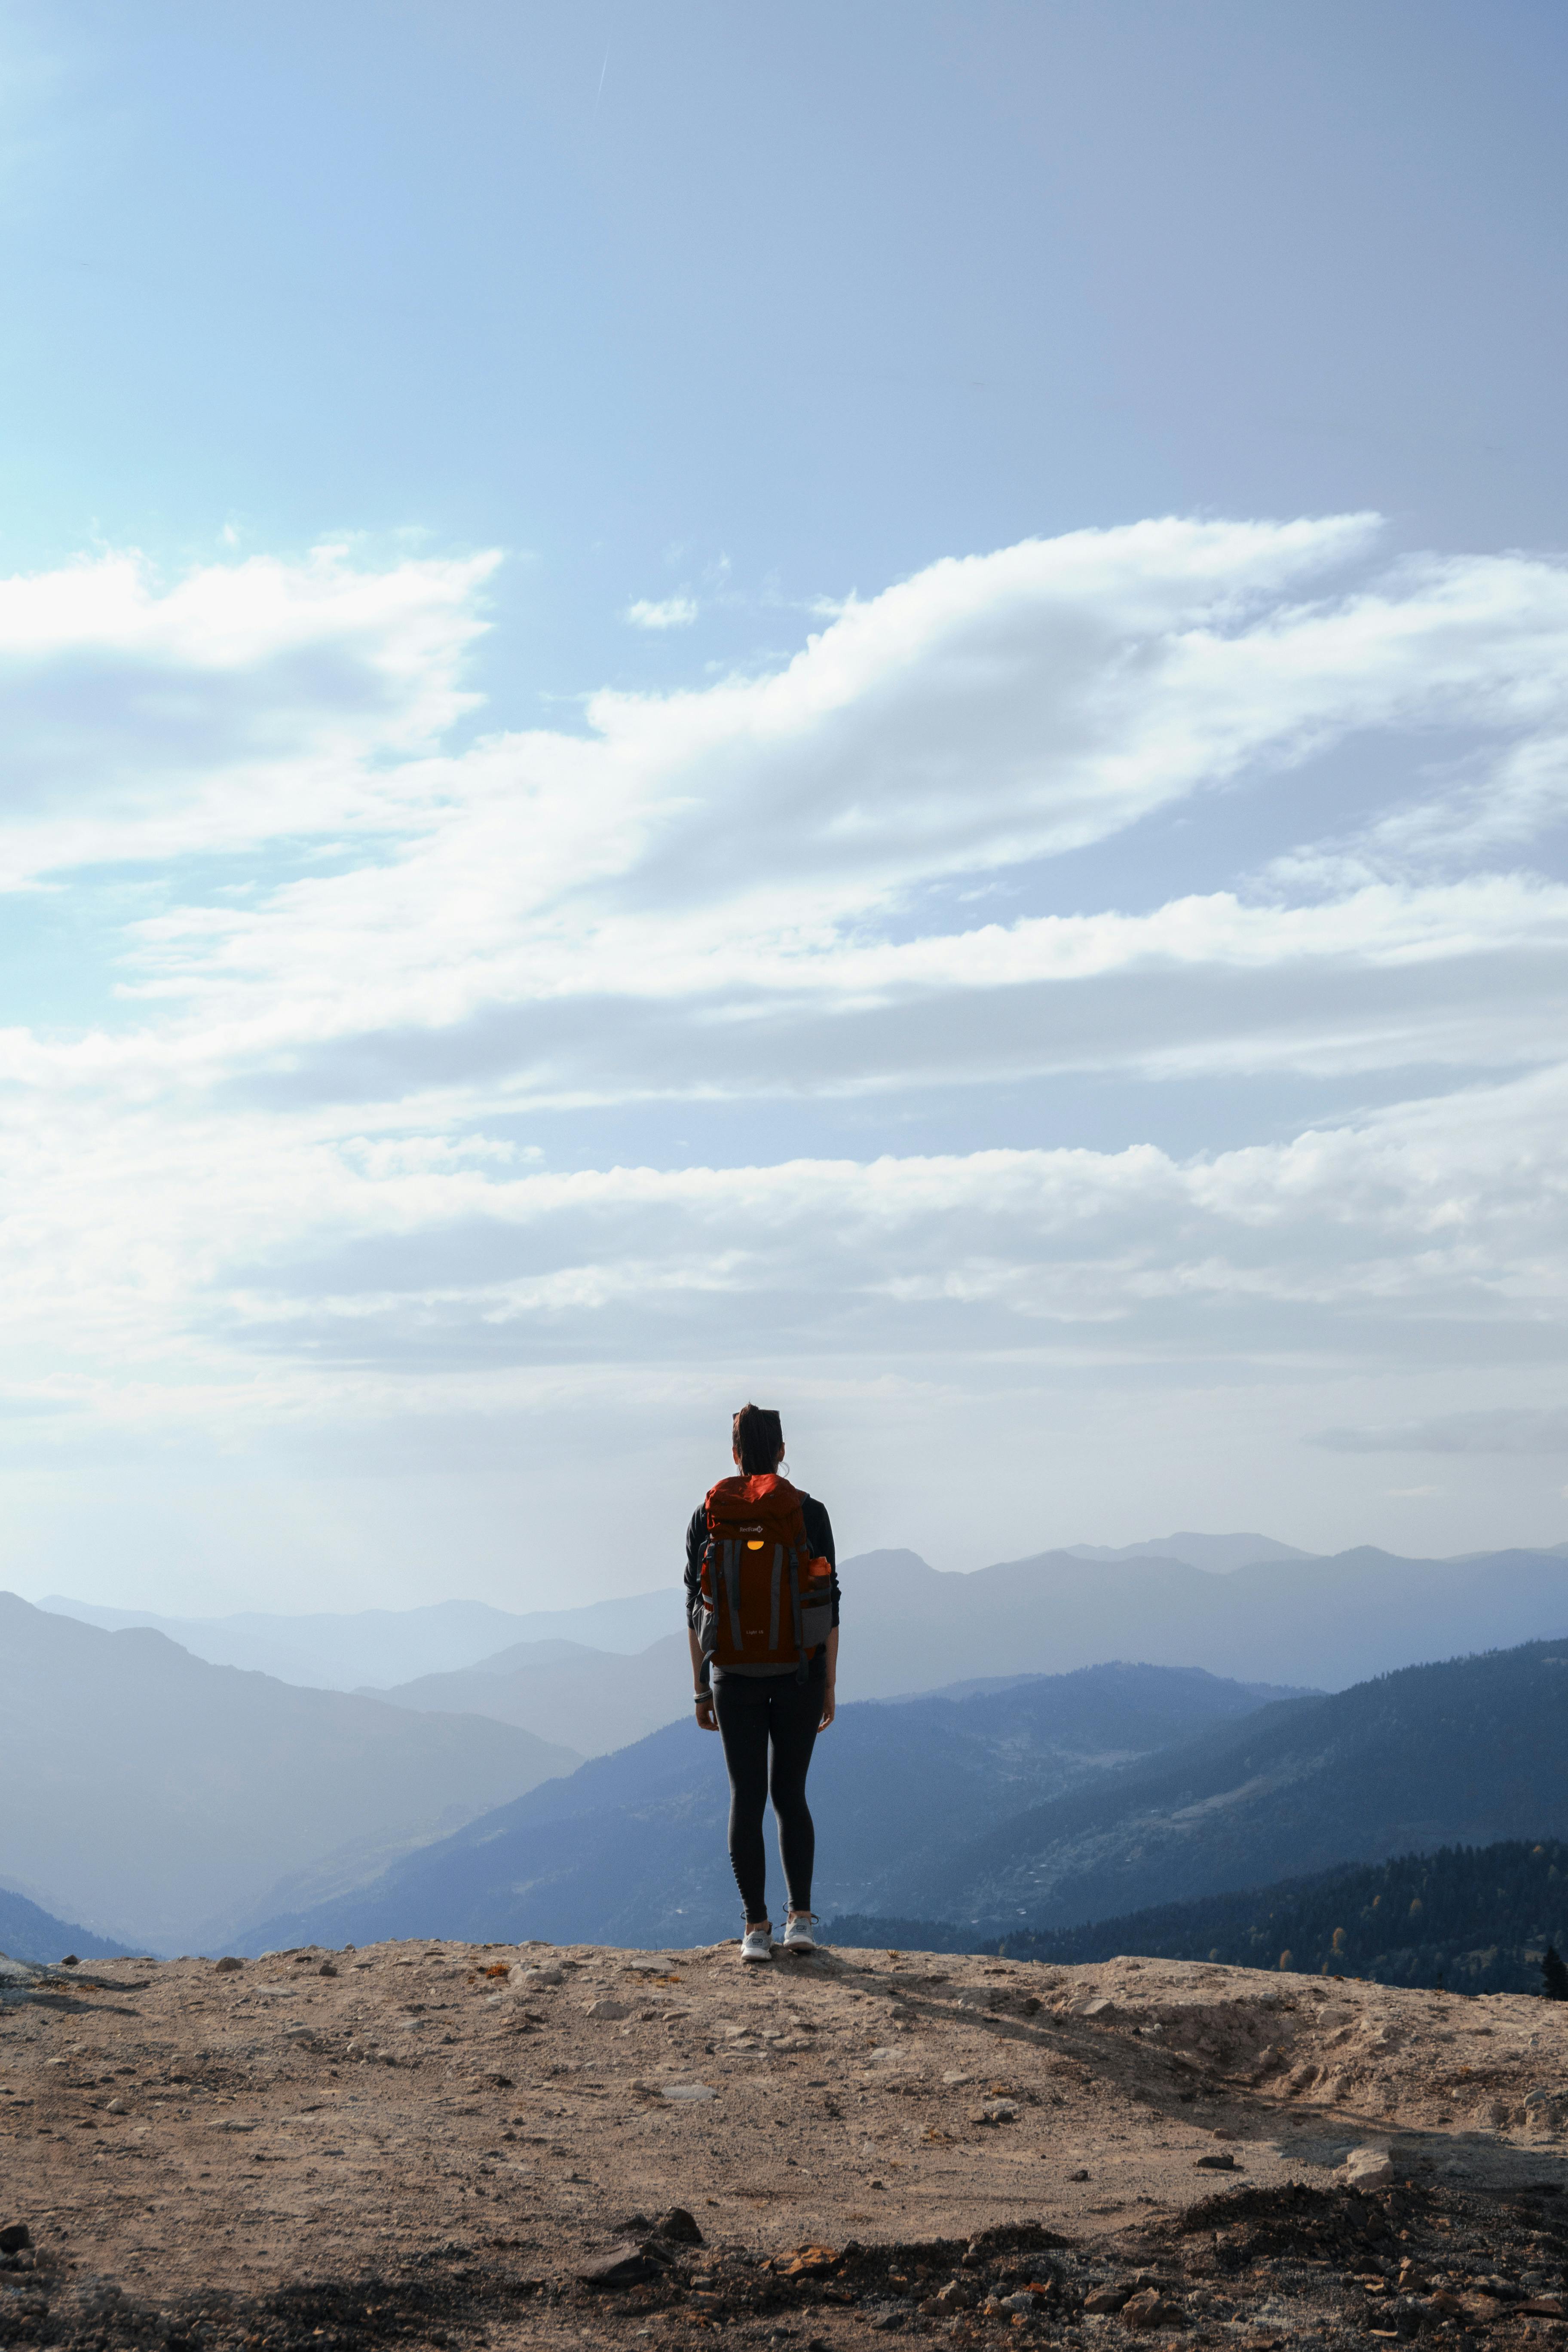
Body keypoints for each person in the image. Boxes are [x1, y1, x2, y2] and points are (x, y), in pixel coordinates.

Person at [685, 1403, 839, 1963]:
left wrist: (703, 1686)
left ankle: (756, 1929)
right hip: (798, 1671)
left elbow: (694, 1608)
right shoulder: (809, 1512)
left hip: (733, 1675)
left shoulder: (708, 1515)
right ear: (780, 1451)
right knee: (789, 1794)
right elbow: (829, 1602)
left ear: (734, 1455)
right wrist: (827, 1684)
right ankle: (801, 1921)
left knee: (745, 1798)